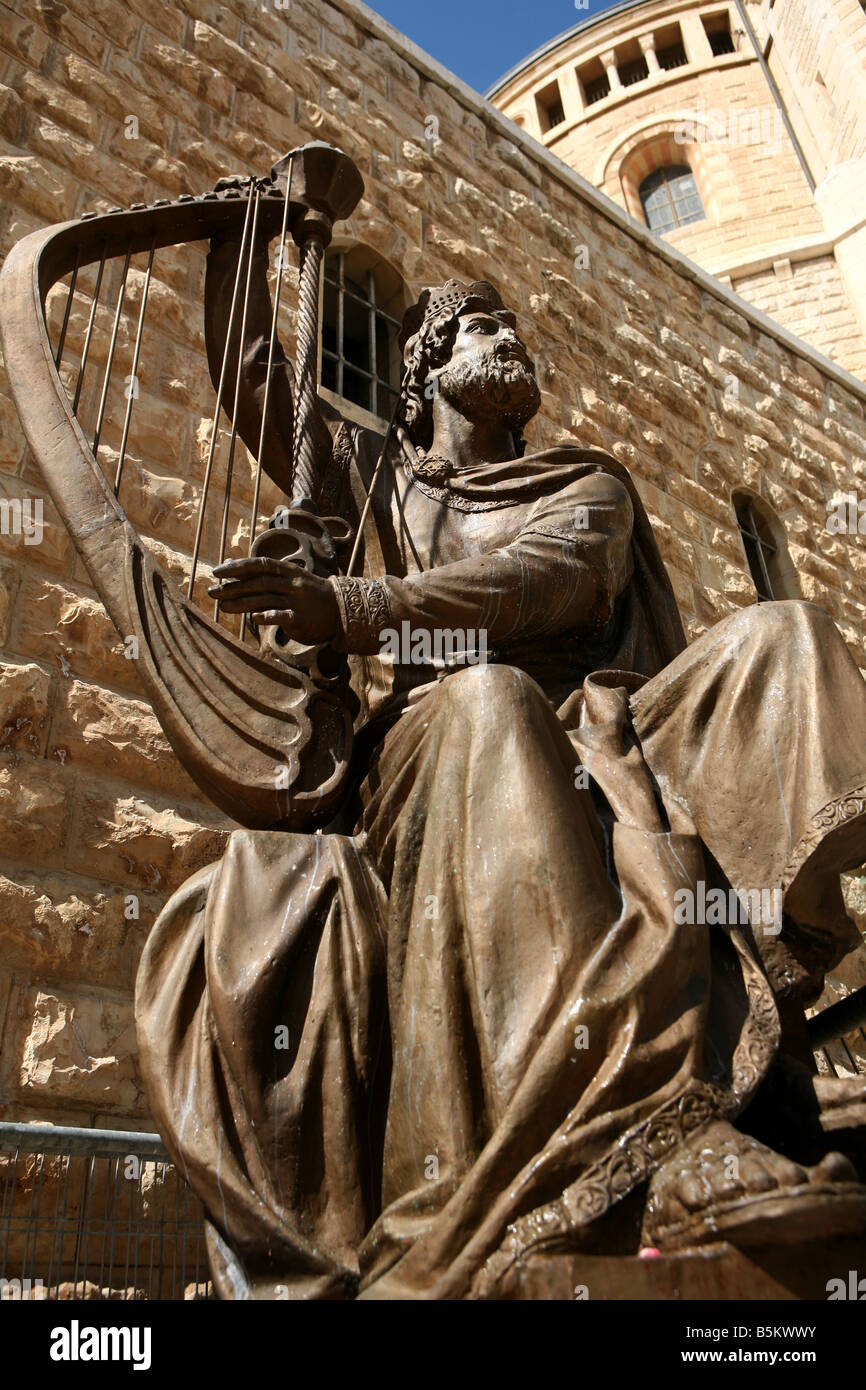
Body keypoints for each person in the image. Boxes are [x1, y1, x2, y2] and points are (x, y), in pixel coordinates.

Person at [134, 255, 866, 1299]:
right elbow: (261, 384)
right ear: (424, 365)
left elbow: (551, 584)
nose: (506, 339)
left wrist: (352, 604)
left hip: (604, 727)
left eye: (511, 326)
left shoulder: (586, 482)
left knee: (779, 635)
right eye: (478, 326)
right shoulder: (382, 482)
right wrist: (252, 239)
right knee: (488, 699)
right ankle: (616, 1144)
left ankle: (736, 1072)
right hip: (432, 753)